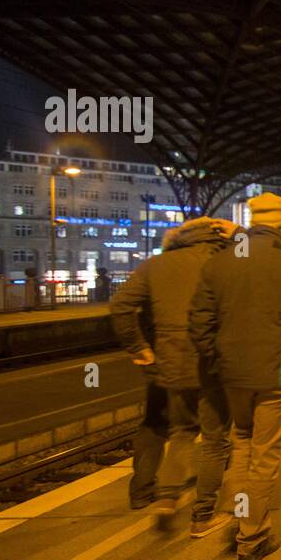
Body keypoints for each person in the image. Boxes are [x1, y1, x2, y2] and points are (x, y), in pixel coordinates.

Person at [189, 193, 281, 560]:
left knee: (242, 444)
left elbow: (199, 323)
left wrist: (218, 362)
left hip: (233, 376)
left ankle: (243, 517)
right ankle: (252, 537)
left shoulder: (218, 263)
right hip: (279, 376)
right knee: (265, 457)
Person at [113, 217, 235, 532]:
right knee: (215, 439)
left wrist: (138, 347)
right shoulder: (223, 261)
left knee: (181, 431)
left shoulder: (157, 264)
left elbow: (120, 305)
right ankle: (203, 515)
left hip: (172, 359)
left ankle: (166, 496)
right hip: (212, 359)